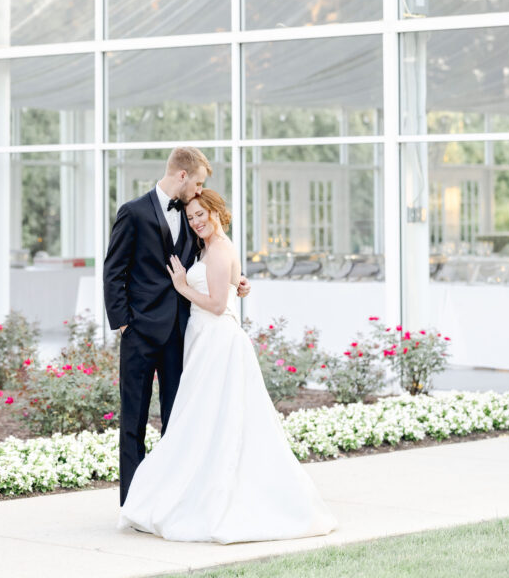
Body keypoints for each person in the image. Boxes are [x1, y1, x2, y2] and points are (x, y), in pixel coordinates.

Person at [118, 188, 337, 544]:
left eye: (201, 214)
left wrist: (181, 284)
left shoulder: (220, 249)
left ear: (217, 211)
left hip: (217, 341)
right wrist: (237, 282)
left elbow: (218, 305)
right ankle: (188, 492)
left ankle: (206, 499)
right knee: (203, 421)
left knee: (212, 420)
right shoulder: (206, 248)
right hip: (202, 340)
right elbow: (226, 284)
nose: (196, 221)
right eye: (191, 217)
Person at [103, 147, 250, 506]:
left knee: (177, 420)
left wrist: (237, 281)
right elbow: (113, 272)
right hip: (139, 334)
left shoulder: (192, 215)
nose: (200, 191)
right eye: (198, 182)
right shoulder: (133, 212)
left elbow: (210, 256)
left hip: (181, 334)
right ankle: (133, 505)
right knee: (133, 422)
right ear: (182, 176)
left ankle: (167, 503)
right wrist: (124, 325)